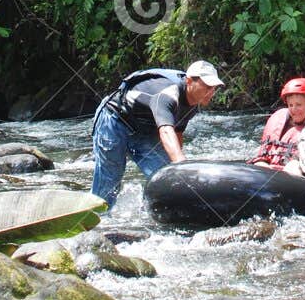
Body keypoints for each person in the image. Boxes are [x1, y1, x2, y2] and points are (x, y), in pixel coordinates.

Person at [90, 60, 223, 205]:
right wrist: (182, 164)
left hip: (145, 130)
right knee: (110, 179)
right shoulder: (168, 94)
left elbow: (177, 132)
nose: (211, 92)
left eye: (214, 88)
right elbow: (166, 131)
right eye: (207, 86)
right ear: (189, 81)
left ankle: (151, 213)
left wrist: (179, 169)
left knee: (166, 177)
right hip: (114, 120)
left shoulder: (192, 105)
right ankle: (98, 220)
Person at [250, 76, 305, 170]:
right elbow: (262, 155)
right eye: (290, 105)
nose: (294, 109)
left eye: (298, 105)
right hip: (270, 169)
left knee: (293, 166)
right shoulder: (280, 118)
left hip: (297, 170)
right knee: (259, 164)